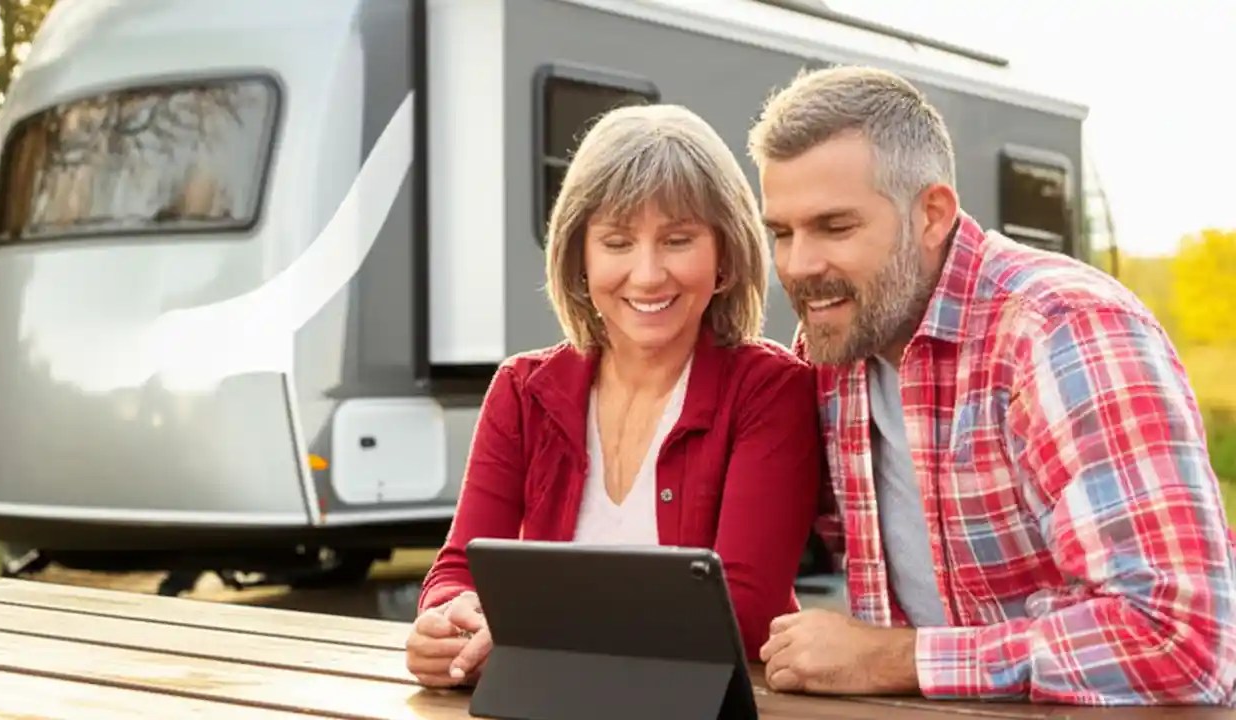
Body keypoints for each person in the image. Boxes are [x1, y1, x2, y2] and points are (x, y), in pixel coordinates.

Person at [748, 65, 1236, 706]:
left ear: (931, 214)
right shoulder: (835, 352)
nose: (800, 266)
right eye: (781, 233)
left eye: (835, 228)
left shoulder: (1064, 334)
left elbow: (1182, 639)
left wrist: (902, 658)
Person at [404, 103, 823, 688]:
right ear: (579, 256)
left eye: (677, 240)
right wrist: (447, 624)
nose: (648, 274)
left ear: (724, 256)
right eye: (617, 242)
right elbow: (456, 572)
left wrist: (532, 630)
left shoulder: (771, 390)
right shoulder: (522, 390)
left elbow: (743, 612)